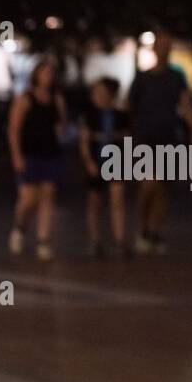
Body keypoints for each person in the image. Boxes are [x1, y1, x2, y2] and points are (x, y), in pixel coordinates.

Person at [127, 30, 192, 254]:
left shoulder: (177, 77)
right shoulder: (143, 78)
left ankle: (154, 231)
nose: (164, 50)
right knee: (149, 184)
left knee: (163, 189)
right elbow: (131, 106)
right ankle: (142, 228)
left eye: (168, 46)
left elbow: (185, 104)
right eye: (161, 45)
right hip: (146, 137)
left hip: (169, 137)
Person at [6, 58, 69, 260]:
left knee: (48, 194)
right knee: (28, 198)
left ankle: (43, 239)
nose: (47, 77)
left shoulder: (56, 99)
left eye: (50, 73)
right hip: (29, 153)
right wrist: (16, 155)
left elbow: (62, 124)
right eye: (44, 73)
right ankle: (20, 227)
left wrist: (61, 129)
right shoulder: (25, 99)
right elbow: (14, 129)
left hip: (50, 152)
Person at [79, 76, 130, 257]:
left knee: (118, 199)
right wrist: (89, 162)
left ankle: (120, 239)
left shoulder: (120, 115)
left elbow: (127, 139)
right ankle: (95, 240)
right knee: (95, 202)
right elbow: (84, 141)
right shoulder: (90, 116)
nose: (98, 96)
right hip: (96, 161)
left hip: (115, 162)